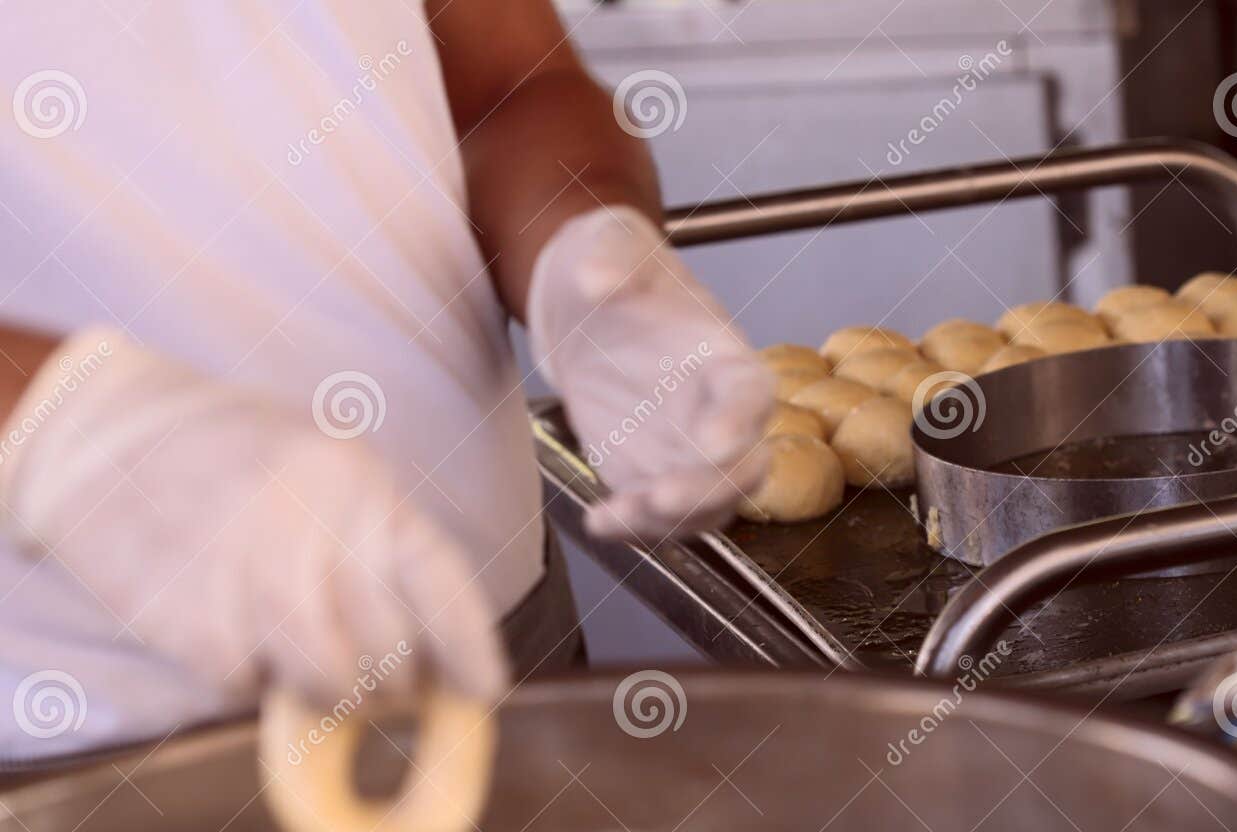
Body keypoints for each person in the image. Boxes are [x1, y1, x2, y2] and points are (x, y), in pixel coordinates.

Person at [0, 0, 771, 761]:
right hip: (78, 734)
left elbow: (507, 87)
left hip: (499, 644)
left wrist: (585, 245)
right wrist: (67, 436)